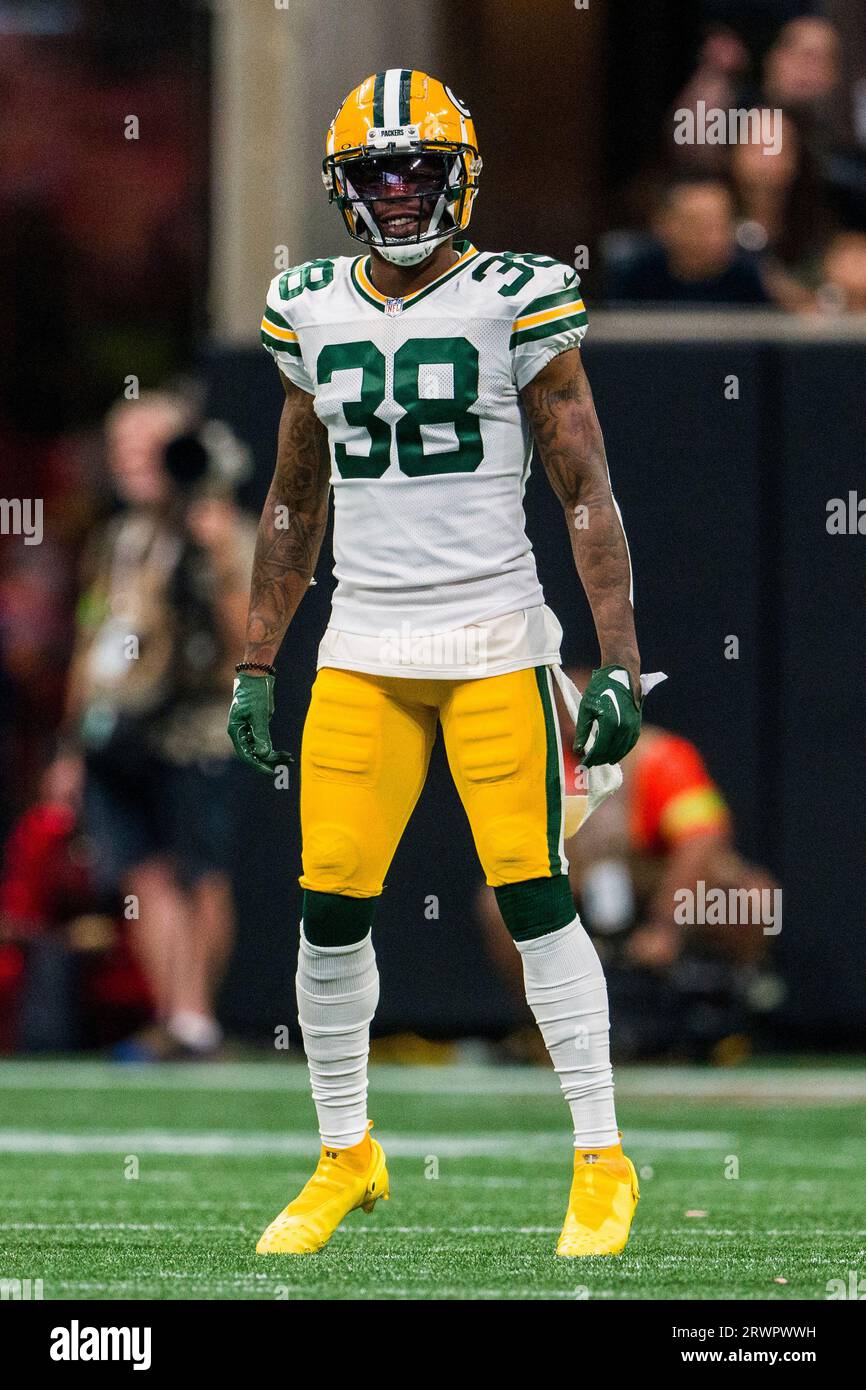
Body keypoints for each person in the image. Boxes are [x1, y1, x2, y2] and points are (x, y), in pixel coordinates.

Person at [228, 70, 649, 1259]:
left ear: (461, 176)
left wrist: (616, 658)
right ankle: (345, 1153)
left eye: (418, 167)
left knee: (529, 891)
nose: (400, 189)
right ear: (343, 186)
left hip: (491, 641)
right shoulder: (306, 304)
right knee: (325, 912)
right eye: (378, 171)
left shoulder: (515, 294)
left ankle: (601, 1155)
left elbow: (584, 492)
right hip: (362, 646)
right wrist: (259, 659)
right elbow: (290, 501)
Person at [66, 392, 254, 1060]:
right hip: (122, 728)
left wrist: (217, 551)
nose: (133, 463)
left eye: (150, 448)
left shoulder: (219, 532)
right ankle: (173, 1014)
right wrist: (70, 744)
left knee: (199, 872)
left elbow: (249, 643)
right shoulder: (119, 538)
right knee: (141, 874)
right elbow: (93, 640)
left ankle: (197, 1017)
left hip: (196, 726)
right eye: (123, 449)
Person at [477, 671, 778, 1062]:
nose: (574, 720)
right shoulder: (539, 764)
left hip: (662, 889)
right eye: (564, 708)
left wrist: (665, 927)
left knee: (753, 897)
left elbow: (703, 841)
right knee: (500, 902)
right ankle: (551, 1034)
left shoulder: (660, 756)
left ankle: (735, 1022)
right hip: (582, 892)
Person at [606, 177, 770, 305]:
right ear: (665, 225)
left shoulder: (749, 279)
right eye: (701, 225)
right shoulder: (636, 278)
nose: (715, 237)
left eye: (722, 223)